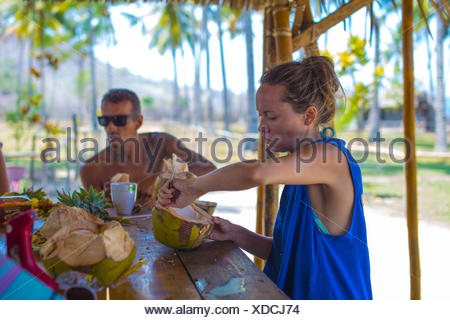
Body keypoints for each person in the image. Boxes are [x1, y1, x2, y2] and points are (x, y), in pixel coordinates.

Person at [157, 56, 372, 300]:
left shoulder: (331, 158)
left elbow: (254, 173)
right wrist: (237, 234)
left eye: (271, 116)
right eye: (260, 115)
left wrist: (194, 187)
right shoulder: (296, 173)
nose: (261, 126)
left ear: (309, 116)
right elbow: (287, 254)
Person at [80, 89, 216, 204]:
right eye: (105, 120)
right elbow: (100, 221)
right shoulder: (92, 169)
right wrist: (111, 202)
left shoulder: (162, 143)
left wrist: (163, 179)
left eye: (119, 120)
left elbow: (209, 169)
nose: (111, 127)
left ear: (138, 122)